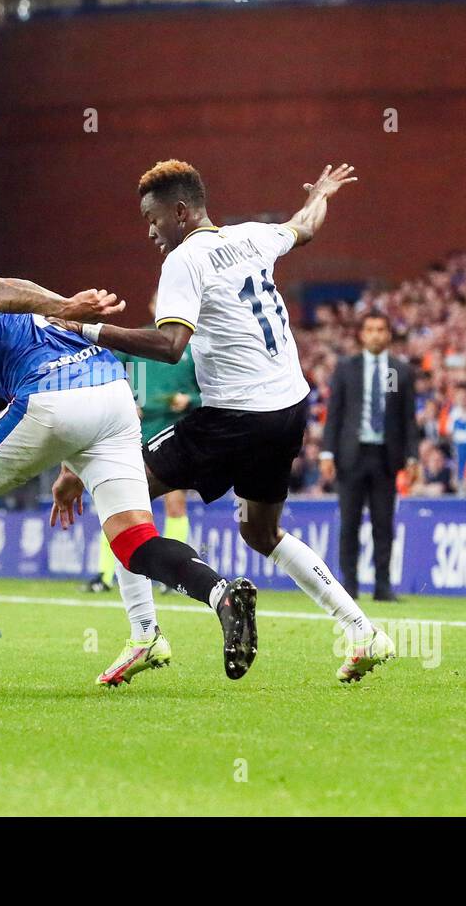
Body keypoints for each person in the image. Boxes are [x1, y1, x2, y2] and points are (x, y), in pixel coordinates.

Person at [49, 159, 393, 685]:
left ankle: (145, 636)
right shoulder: (254, 236)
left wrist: (91, 330)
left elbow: (169, 346)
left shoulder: (186, 260)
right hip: (287, 409)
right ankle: (361, 630)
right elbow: (304, 225)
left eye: (153, 219)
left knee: (118, 495)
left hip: (235, 414)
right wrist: (322, 192)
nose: (150, 231)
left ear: (180, 212)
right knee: (261, 530)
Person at [0, 268, 256, 696]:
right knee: (133, 541)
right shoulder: (19, 315)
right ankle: (220, 593)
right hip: (113, 397)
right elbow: (15, 301)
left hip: (52, 397)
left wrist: (66, 305)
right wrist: (70, 467)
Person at [86, 292, 200, 595]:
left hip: (175, 433)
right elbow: (109, 373)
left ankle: (173, 576)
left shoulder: (192, 345)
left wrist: (189, 399)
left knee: (175, 504)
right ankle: (104, 574)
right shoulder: (139, 342)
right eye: (158, 302)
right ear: (152, 307)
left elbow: (210, 392)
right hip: (134, 433)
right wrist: (126, 399)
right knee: (119, 505)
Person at [319, 310, 420, 602]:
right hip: (351, 456)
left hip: (385, 456)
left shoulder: (400, 371)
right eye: (370, 329)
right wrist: (327, 452)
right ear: (362, 334)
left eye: (381, 329)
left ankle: (382, 586)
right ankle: (348, 586)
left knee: (383, 523)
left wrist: (412, 458)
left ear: (388, 334)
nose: (376, 334)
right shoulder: (346, 369)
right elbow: (334, 415)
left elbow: (408, 419)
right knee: (349, 523)